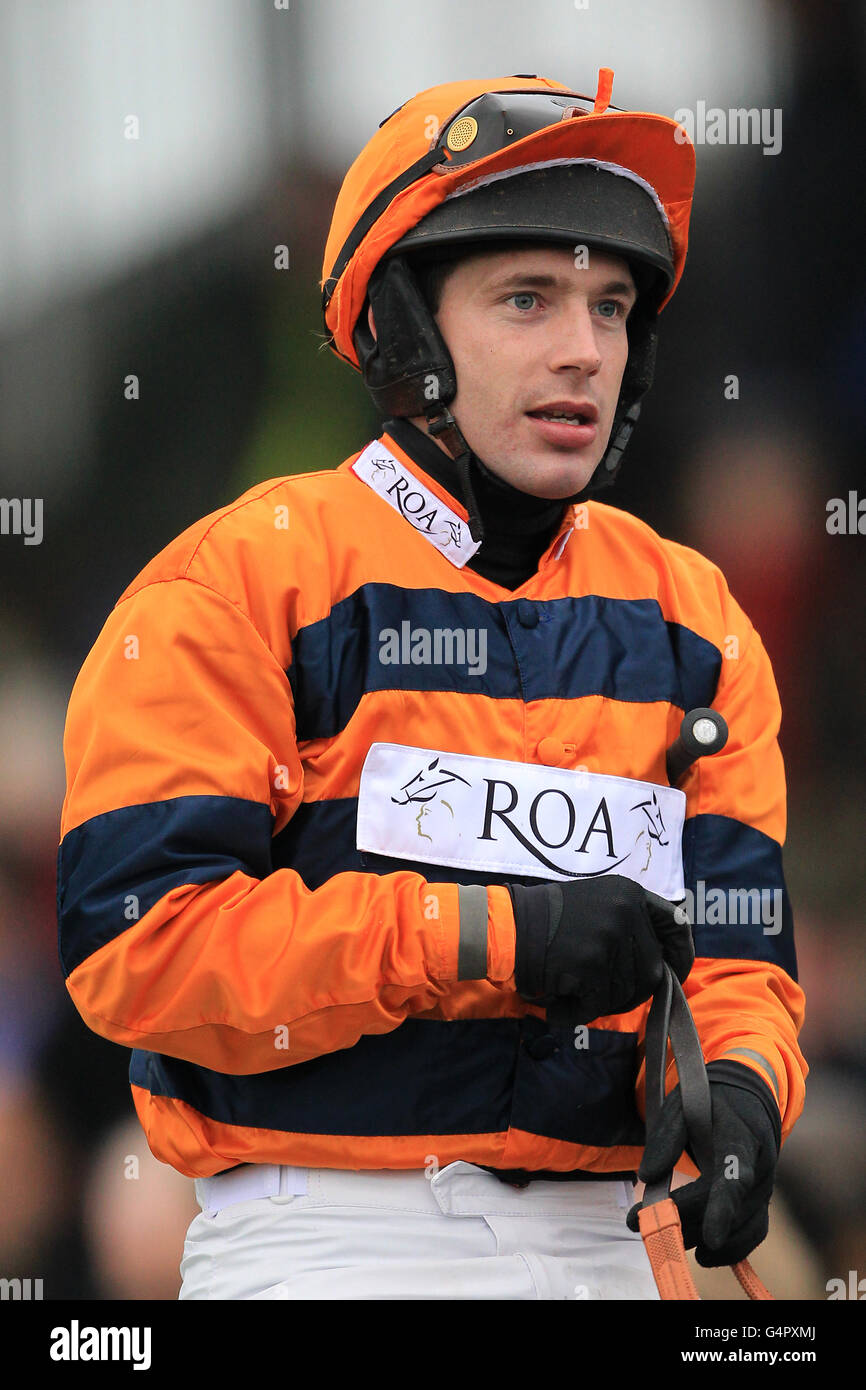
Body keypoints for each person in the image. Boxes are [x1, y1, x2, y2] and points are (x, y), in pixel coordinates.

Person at [57, 69, 807, 1301]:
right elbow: (139, 949)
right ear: (407, 331)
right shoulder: (238, 583)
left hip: (619, 1244)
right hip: (326, 1243)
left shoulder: (699, 620)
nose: (581, 352)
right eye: (528, 299)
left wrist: (736, 1089)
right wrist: (485, 934)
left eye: (610, 308)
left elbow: (737, 956)